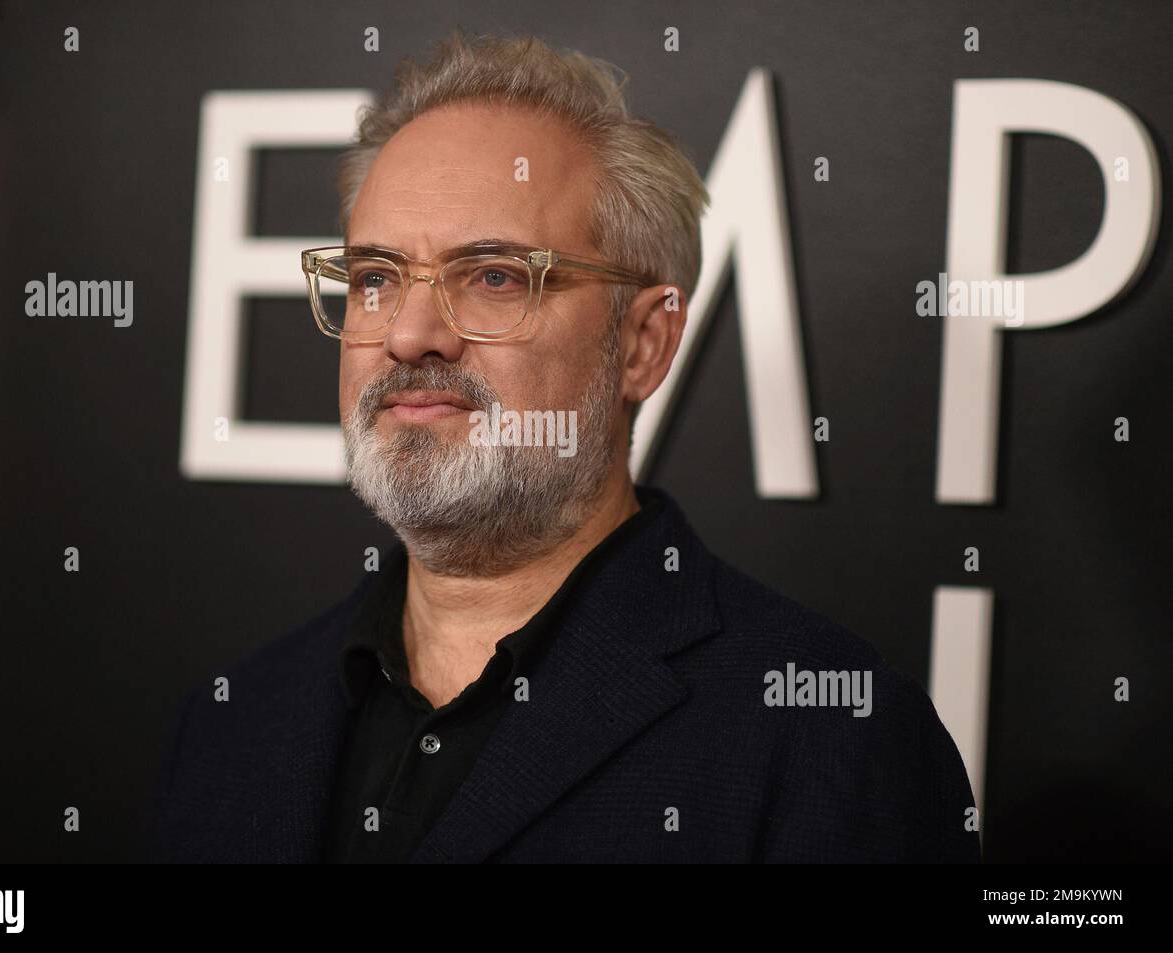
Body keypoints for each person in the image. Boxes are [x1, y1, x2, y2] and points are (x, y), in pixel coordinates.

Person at [149, 30, 980, 863]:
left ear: (644, 343)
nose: (409, 335)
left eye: (495, 276)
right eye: (375, 278)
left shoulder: (831, 741)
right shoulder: (230, 723)